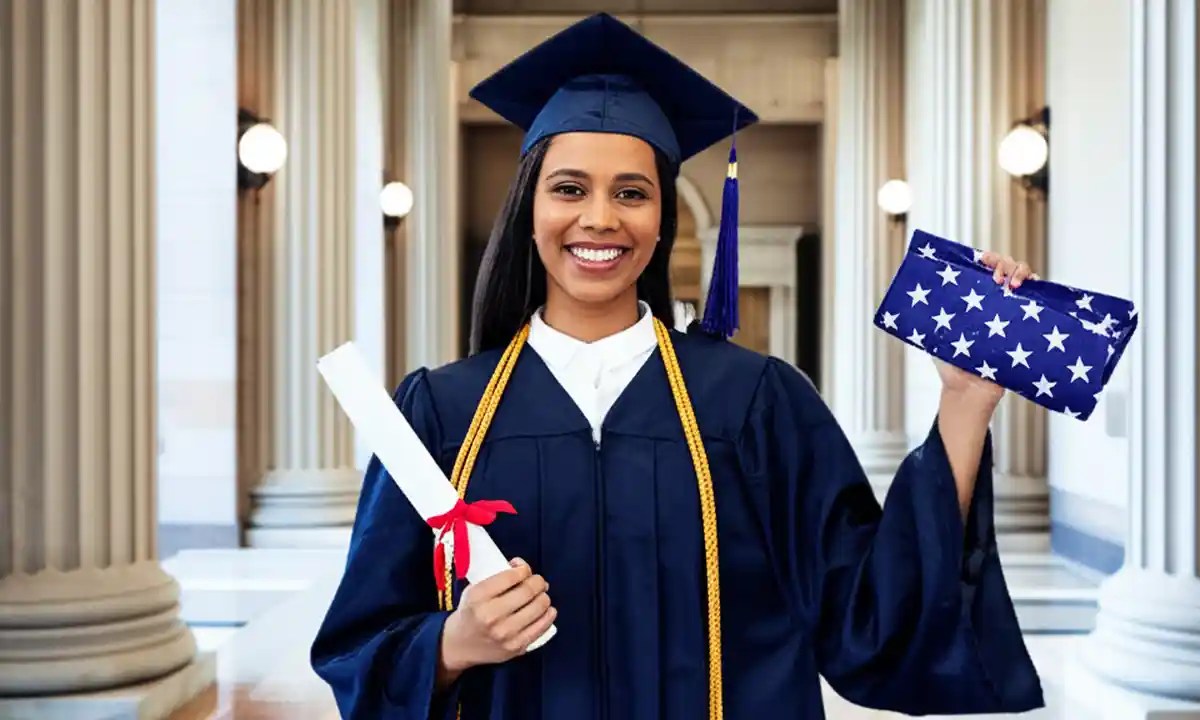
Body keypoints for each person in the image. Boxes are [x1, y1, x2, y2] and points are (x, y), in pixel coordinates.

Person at [311, 12, 1044, 720]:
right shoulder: (443, 413)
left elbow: (867, 614)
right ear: (528, 211)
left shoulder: (756, 402)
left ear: (663, 220)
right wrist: (451, 644)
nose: (599, 218)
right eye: (569, 188)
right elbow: (359, 644)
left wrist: (965, 405)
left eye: (631, 193)